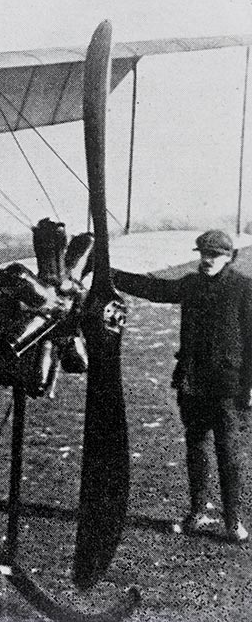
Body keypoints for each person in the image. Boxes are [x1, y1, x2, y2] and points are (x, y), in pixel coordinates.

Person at [113, 229, 251, 543]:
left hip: (229, 386)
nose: (206, 260)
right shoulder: (191, 284)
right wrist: (110, 273)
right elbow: (153, 288)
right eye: (202, 253)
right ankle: (198, 512)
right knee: (197, 447)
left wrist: (250, 386)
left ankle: (232, 520)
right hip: (192, 382)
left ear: (229, 257)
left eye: (214, 255)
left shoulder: (244, 288)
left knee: (229, 452)